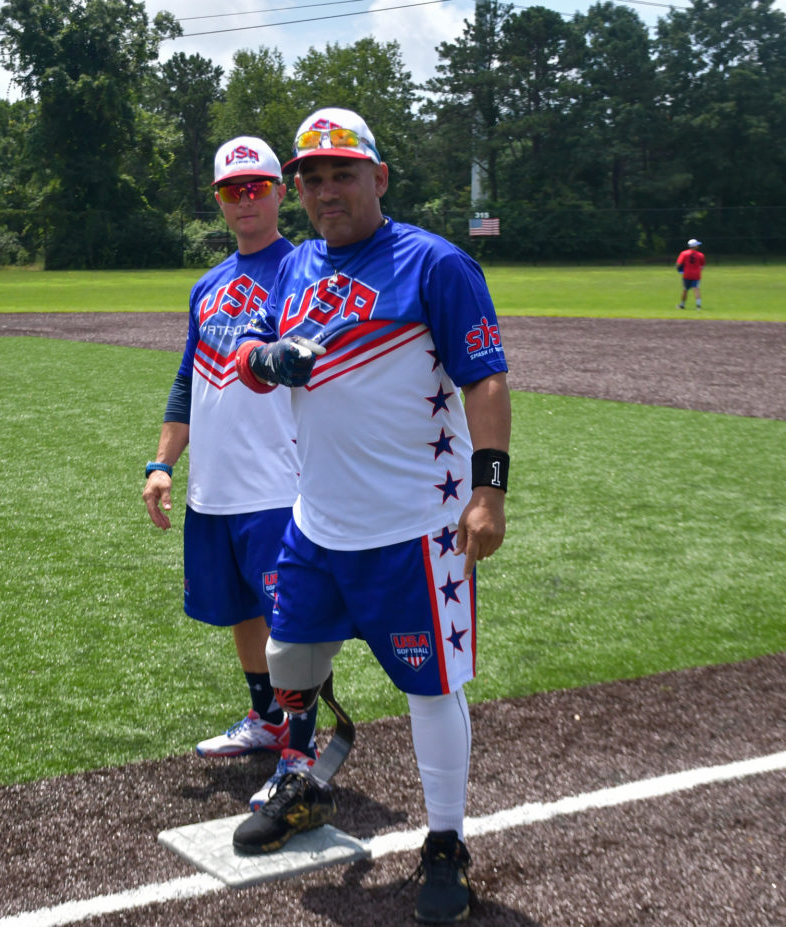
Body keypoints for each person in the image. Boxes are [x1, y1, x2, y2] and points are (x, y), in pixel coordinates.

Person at [230, 108, 511, 925]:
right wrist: (262, 357)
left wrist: (488, 492)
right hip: (318, 521)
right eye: (310, 178)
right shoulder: (293, 267)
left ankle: (446, 839)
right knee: (288, 663)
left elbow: (486, 378)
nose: (325, 191)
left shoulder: (435, 262)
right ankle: (304, 785)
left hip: (416, 527)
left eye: (342, 173)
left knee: (431, 688)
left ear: (378, 178)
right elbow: (248, 347)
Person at [142, 136, 318, 811]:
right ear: (218, 200)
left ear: (280, 190)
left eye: (256, 187)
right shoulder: (207, 285)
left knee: (291, 622)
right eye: (230, 190)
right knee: (241, 610)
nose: (244, 200)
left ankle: (301, 749)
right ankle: (267, 720)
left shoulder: (304, 268)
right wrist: (163, 462)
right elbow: (188, 380)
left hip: (279, 483)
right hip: (212, 487)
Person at [677, 238, 705, 310]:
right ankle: (698, 306)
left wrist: (679, 269)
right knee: (696, 289)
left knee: (685, 289)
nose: (698, 246)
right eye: (697, 245)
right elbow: (702, 266)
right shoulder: (701, 255)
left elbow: (678, 264)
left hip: (687, 274)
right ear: (695, 246)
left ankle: (682, 305)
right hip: (696, 275)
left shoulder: (684, 253)